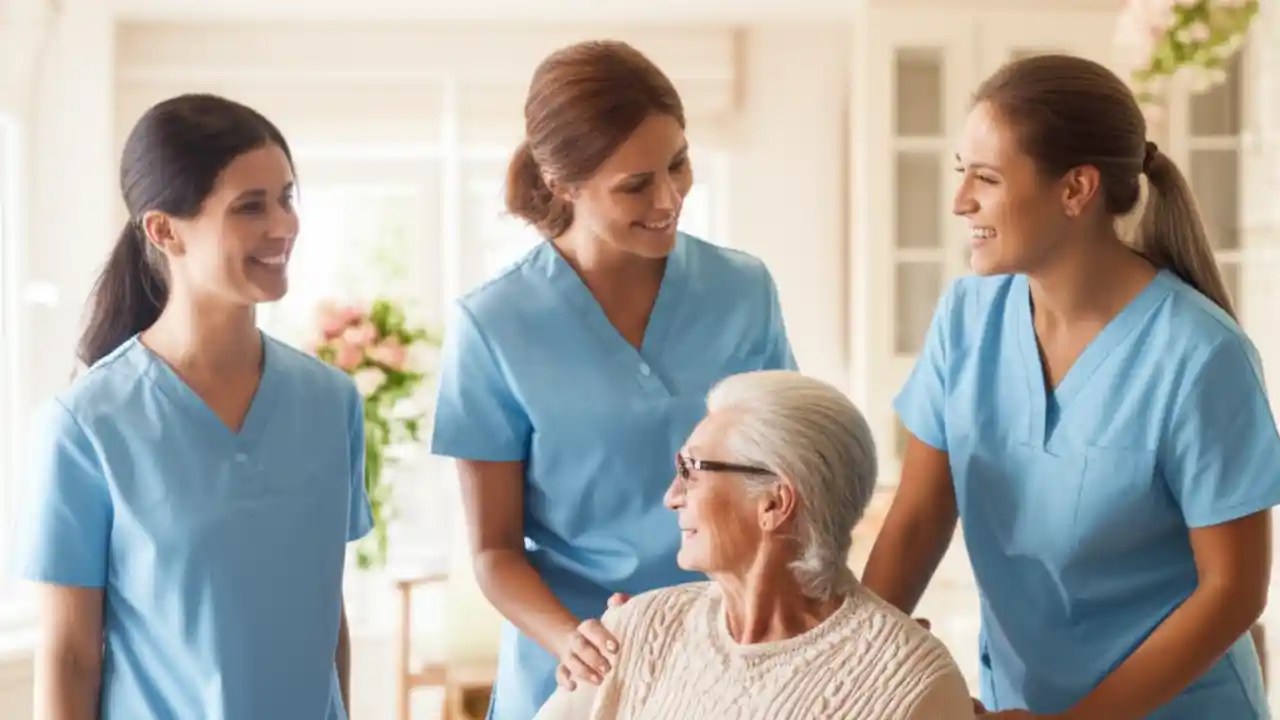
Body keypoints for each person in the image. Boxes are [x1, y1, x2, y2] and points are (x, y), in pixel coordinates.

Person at [861, 54, 1280, 720]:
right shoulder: (966, 319)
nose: (959, 199)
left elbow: (1233, 590)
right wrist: (849, 663)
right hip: (1019, 703)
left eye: (987, 178)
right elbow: (916, 519)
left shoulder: (1200, 355)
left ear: (1076, 190)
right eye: (960, 172)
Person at [429, 39, 797, 719]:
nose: (669, 198)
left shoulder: (742, 290)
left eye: (679, 164)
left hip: (728, 655)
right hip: (573, 671)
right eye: (635, 184)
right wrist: (574, 641)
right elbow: (494, 551)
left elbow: (788, 483)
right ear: (562, 183)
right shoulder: (494, 325)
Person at [17, 94, 372, 719]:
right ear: (163, 230)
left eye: (287, 197)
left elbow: (326, 619)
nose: (283, 225)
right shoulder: (86, 425)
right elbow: (70, 655)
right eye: (250, 207)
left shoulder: (329, 402)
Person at [531, 370, 975, 720]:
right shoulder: (640, 628)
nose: (671, 496)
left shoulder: (911, 681)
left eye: (692, 470)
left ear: (775, 502)